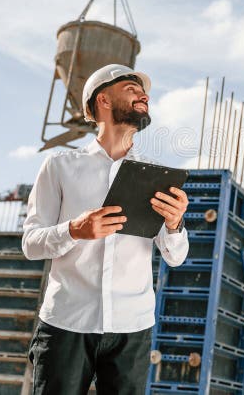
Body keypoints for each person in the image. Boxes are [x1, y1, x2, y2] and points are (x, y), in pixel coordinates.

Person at [22, 63, 190, 394]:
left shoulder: (155, 175)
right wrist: (73, 230)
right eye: (131, 89)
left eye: (145, 93)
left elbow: (176, 257)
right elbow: (31, 243)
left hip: (132, 329)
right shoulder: (59, 167)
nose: (144, 95)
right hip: (66, 323)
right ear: (104, 100)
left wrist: (174, 224)